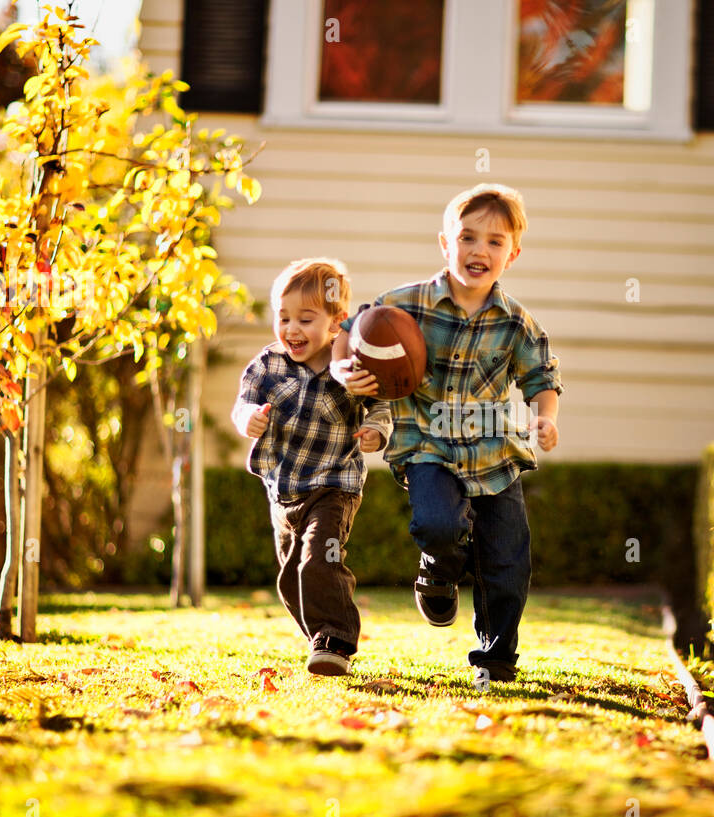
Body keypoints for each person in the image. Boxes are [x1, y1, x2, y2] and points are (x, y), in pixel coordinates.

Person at [330, 183, 562, 691]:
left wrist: (544, 416)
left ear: (512, 254)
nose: (480, 250)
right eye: (467, 237)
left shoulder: (516, 322)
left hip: (495, 452)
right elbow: (350, 326)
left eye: (495, 242)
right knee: (438, 522)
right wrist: (344, 369)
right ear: (445, 243)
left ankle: (496, 660)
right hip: (427, 444)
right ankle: (437, 570)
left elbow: (542, 374)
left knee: (507, 559)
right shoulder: (405, 304)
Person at [232, 257, 392, 676]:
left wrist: (376, 431)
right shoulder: (267, 365)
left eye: (305, 319)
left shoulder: (351, 369)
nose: (291, 330)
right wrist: (247, 418)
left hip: (334, 487)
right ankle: (320, 632)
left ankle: (335, 639)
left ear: (336, 322)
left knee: (319, 560)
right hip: (283, 490)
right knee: (291, 580)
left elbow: (381, 406)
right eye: (283, 318)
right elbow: (242, 403)